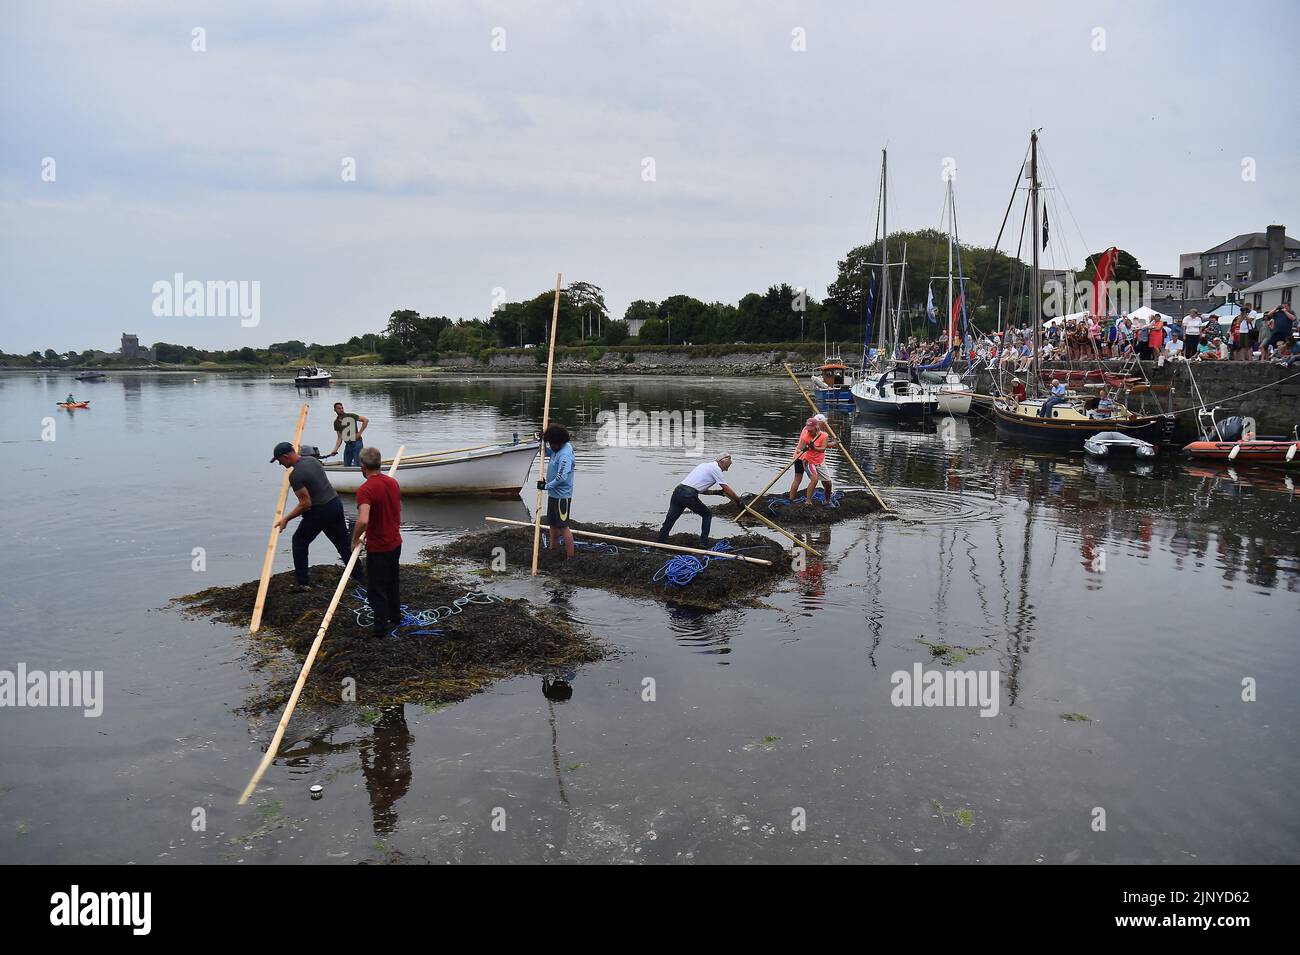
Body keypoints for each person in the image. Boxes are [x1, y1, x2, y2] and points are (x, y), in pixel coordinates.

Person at [271, 441, 359, 589]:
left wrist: (286, 518)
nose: (279, 464)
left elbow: (306, 503)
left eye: (279, 460)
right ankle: (359, 577)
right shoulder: (313, 460)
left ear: (285, 456)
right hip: (335, 504)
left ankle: (303, 583)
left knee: (299, 541)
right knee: (343, 543)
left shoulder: (295, 475)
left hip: (319, 511)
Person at [351, 446, 402, 638]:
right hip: (395, 541)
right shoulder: (393, 482)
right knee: (392, 582)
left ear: (362, 466)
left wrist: (355, 539)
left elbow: (363, 519)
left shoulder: (365, 490)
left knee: (376, 588)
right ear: (379, 463)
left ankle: (381, 627)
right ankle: (395, 617)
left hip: (379, 546)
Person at [658, 453, 743, 545]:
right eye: (726, 466)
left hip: (678, 491)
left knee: (670, 519)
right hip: (688, 495)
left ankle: (660, 542)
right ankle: (703, 543)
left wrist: (716, 492)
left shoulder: (704, 466)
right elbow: (725, 487)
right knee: (707, 514)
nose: (726, 469)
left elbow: (698, 489)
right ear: (721, 462)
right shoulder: (716, 469)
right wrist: (738, 500)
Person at [536, 424, 575, 560]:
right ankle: (553, 549)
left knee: (563, 526)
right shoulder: (556, 449)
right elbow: (545, 453)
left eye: (553, 444)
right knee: (552, 523)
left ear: (560, 443)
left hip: (562, 497)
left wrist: (546, 486)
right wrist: (541, 442)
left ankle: (570, 557)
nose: (551, 446)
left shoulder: (565, 454)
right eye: (550, 443)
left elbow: (562, 477)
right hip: (553, 495)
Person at [789, 414, 836, 505]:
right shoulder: (807, 432)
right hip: (804, 458)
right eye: (823, 423)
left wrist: (834, 442)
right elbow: (801, 447)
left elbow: (823, 446)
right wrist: (804, 449)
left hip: (815, 459)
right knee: (801, 479)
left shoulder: (823, 434)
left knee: (826, 481)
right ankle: (794, 500)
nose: (824, 424)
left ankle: (827, 500)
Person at [328, 403, 369, 467]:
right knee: (346, 465)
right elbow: (339, 438)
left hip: (357, 444)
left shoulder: (350, 416)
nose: (341, 410)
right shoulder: (336, 422)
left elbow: (365, 420)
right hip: (348, 445)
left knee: (358, 465)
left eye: (342, 408)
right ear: (335, 410)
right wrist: (335, 450)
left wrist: (359, 433)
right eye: (339, 408)